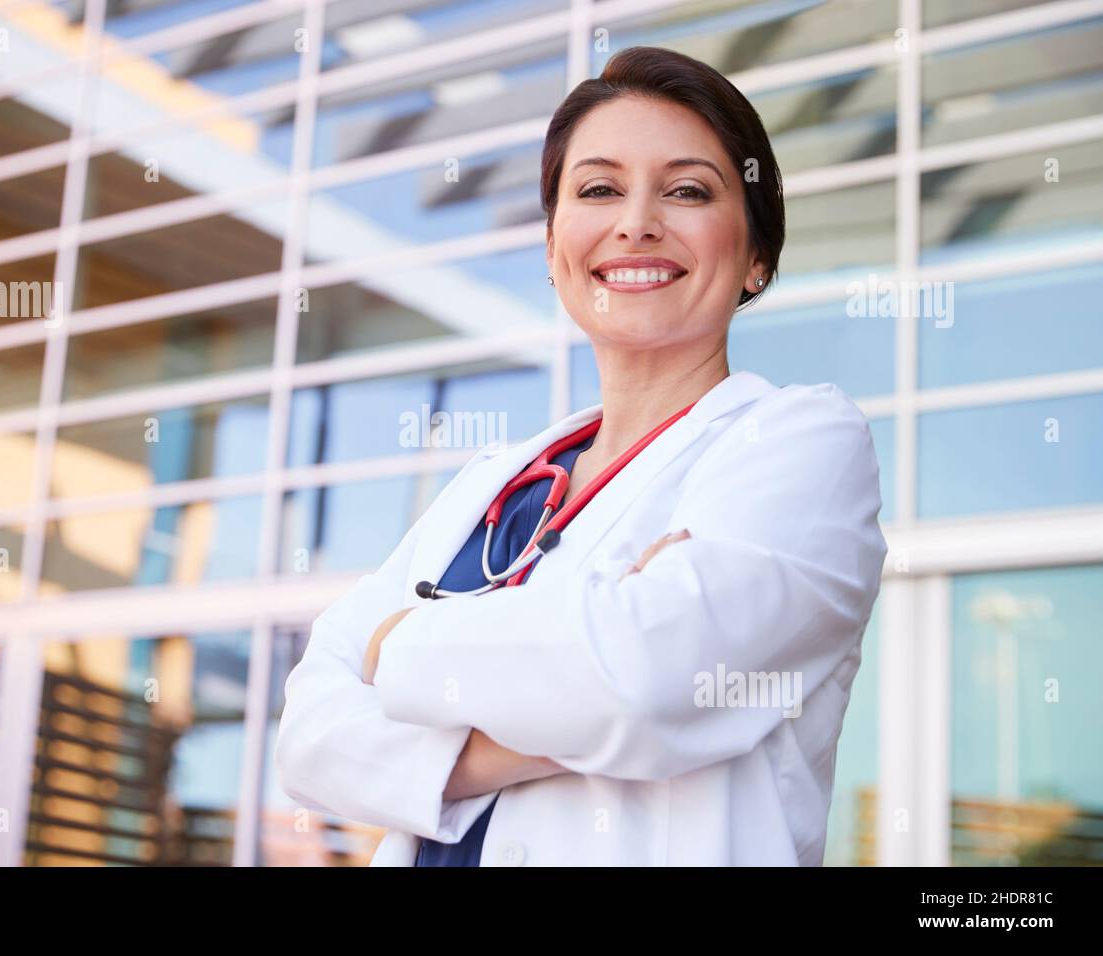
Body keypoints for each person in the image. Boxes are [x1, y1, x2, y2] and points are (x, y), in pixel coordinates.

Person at [275, 45, 888, 866]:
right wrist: (573, 698)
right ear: (555, 244)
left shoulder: (800, 443)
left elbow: (646, 679)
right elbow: (310, 740)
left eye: (688, 190)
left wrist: (397, 643)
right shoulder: (490, 482)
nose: (636, 222)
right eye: (598, 189)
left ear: (755, 258)